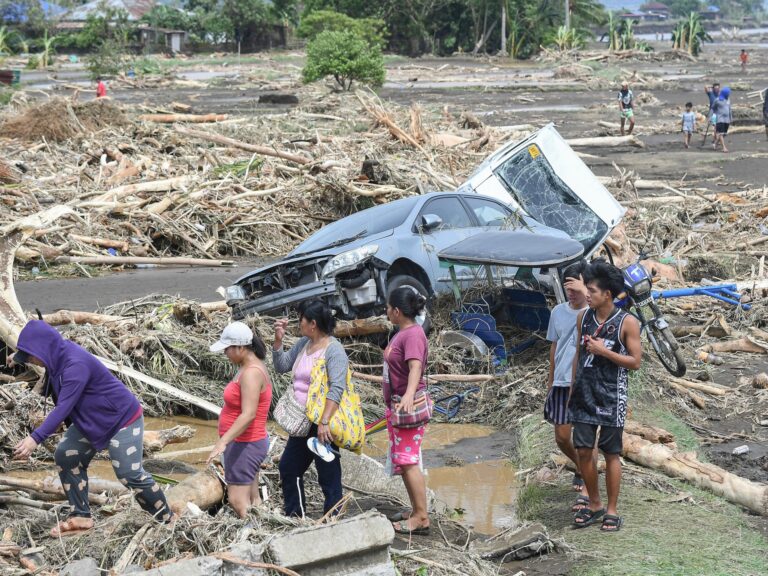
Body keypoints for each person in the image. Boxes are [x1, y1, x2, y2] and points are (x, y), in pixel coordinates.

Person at [10, 320, 173, 536]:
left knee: (128, 473)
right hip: (92, 420)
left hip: (121, 419)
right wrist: (19, 355)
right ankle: (80, 516)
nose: (32, 361)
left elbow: (62, 409)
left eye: (31, 356)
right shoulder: (56, 356)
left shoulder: (74, 364)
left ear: (43, 350)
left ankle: (166, 519)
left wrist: (34, 439)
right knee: (67, 454)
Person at [569, 260, 642, 532]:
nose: (586, 295)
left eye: (592, 290)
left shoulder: (627, 322)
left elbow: (635, 362)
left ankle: (612, 510)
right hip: (584, 394)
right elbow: (578, 355)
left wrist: (605, 352)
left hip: (612, 396)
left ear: (607, 295)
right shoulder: (583, 318)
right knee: (584, 451)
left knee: (611, 453)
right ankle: (595, 503)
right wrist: (571, 389)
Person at [272, 300, 347, 518]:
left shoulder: (334, 351)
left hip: (322, 422)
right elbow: (282, 366)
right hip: (302, 421)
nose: (298, 324)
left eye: (301, 320)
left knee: (328, 474)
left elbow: (337, 388)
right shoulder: (305, 343)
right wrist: (278, 342)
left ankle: (333, 519)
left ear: (312, 323)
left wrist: (324, 422)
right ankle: (296, 515)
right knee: (289, 468)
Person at [207, 322, 272, 518]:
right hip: (246, 443)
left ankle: (253, 539)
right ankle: (261, 531)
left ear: (241, 347)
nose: (225, 353)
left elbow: (249, 414)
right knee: (253, 500)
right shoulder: (248, 367)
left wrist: (222, 442)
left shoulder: (251, 373)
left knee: (237, 500)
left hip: (246, 444)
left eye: (227, 349)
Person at [383, 287, 430, 535]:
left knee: (409, 461)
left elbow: (415, 367)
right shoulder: (402, 333)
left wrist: (409, 394)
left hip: (407, 407)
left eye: (388, 308)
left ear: (397, 311)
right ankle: (416, 510)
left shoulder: (412, 335)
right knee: (403, 460)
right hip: (398, 405)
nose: (387, 311)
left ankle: (421, 517)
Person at [545, 262, 591, 512]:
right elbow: (554, 347)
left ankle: (587, 487)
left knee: (586, 440)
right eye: (567, 288)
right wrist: (551, 380)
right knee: (562, 438)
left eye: (575, 287)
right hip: (562, 382)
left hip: (584, 384)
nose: (571, 293)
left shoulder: (594, 314)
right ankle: (583, 468)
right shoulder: (558, 312)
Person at [712, 86, 732, 153]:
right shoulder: (717, 100)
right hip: (720, 119)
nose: (729, 94)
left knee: (724, 134)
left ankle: (715, 143)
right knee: (720, 133)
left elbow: (730, 109)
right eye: (728, 93)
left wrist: (731, 118)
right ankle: (724, 147)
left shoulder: (728, 100)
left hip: (727, 119)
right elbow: (713, 108)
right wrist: (712, 116)